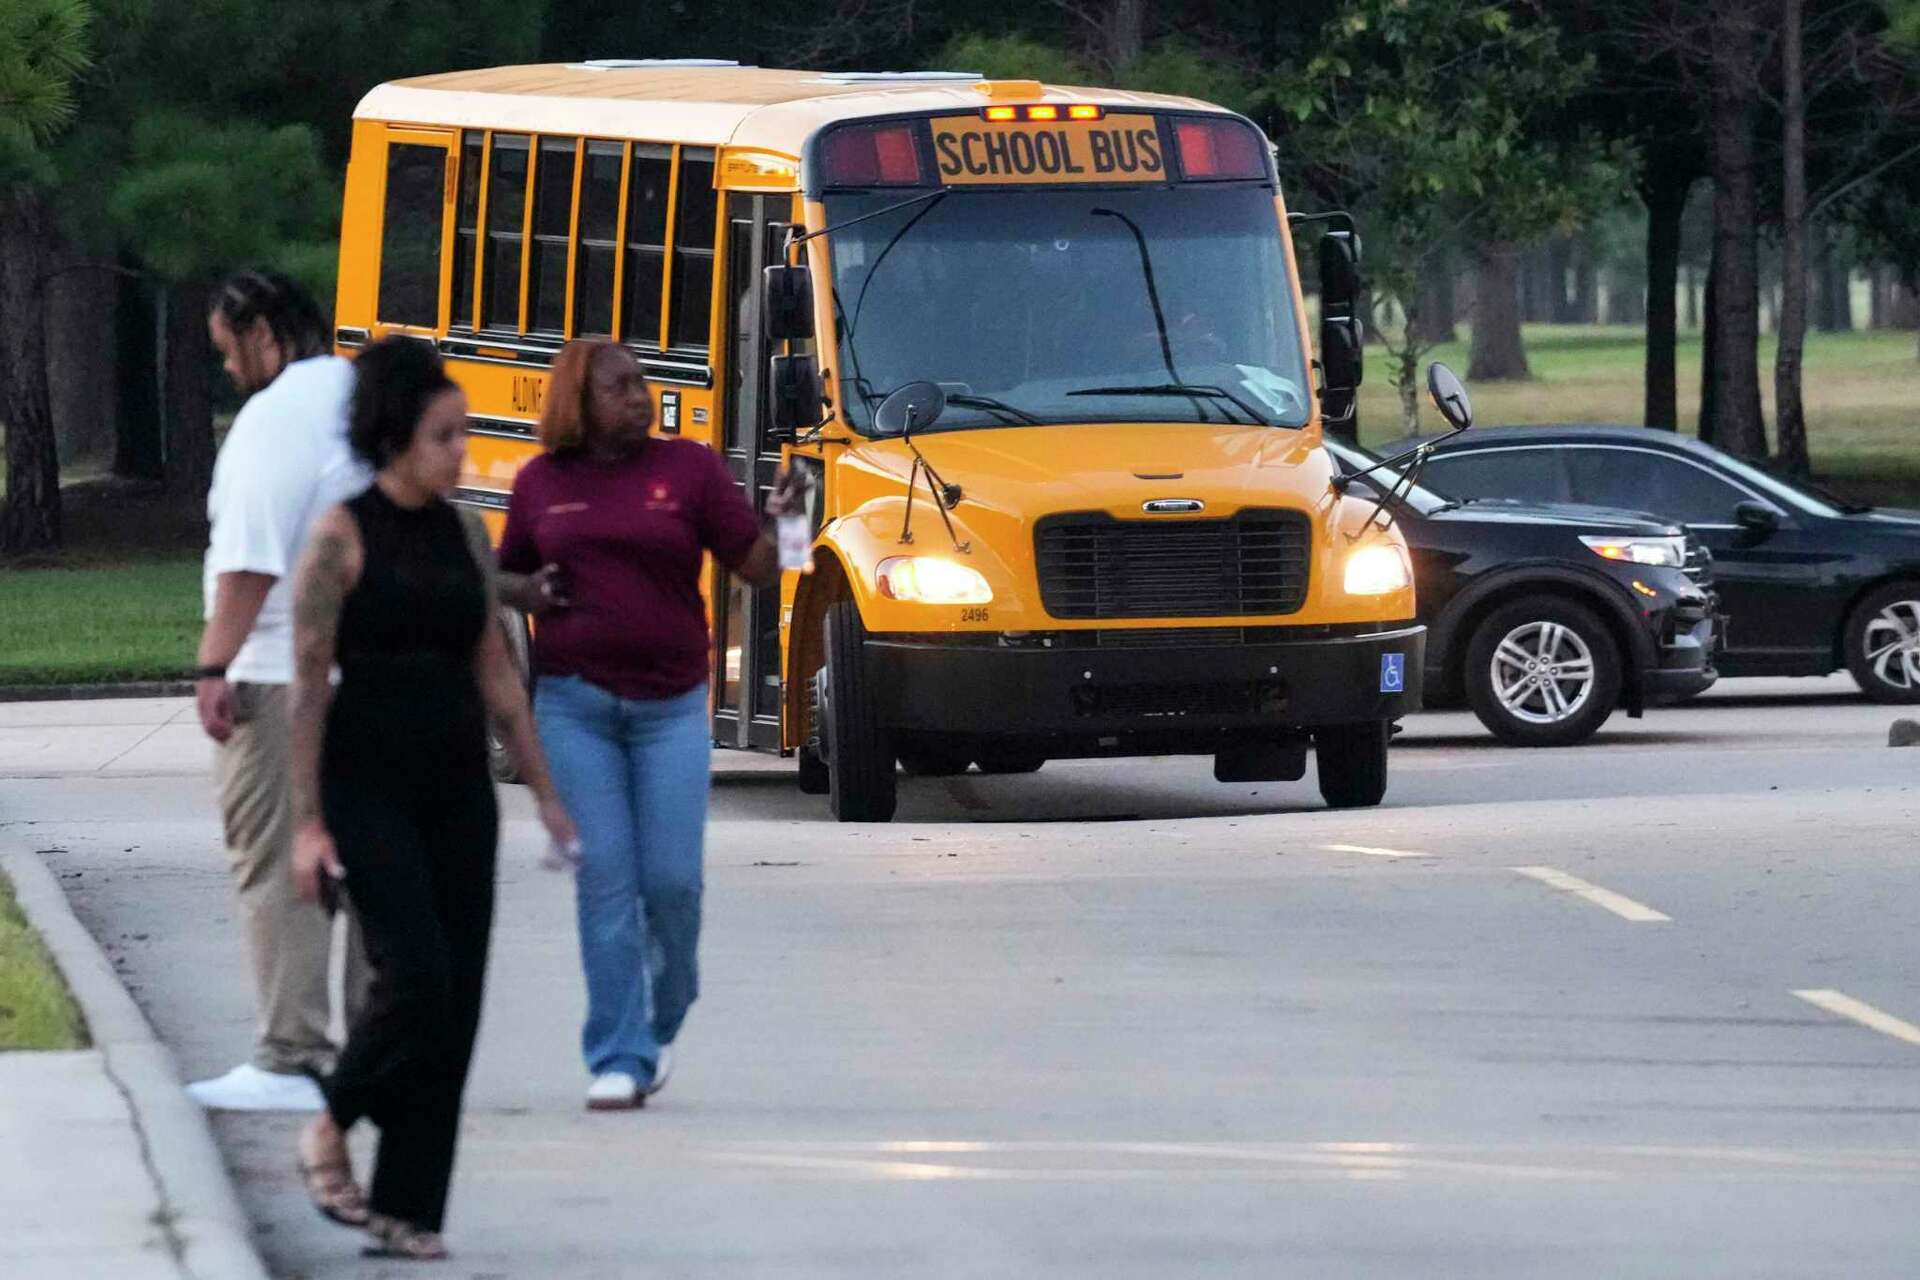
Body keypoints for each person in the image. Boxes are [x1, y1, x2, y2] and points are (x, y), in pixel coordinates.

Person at [285, 338, 575, 1260]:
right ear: (395, 436)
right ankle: (330, 1121)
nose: (461, 451)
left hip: (457, 790)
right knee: (416, 977)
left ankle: (406, 1209)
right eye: (445, 435)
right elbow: (306, 688)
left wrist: (547, 796)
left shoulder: (465, 535)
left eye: (462, 434)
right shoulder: (339, 537)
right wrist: (306, 824)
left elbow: (497, 673)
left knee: (458, 1004)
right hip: (365, 786)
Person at [496, 340, 800, 1111]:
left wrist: (792, 522)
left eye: (642, 383)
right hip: (575, 708)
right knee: (605, 878)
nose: (641, 397)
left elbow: (757, 565)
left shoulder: (689, 469)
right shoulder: (540, 482)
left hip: (670, 709)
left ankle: (667, 1007)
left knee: (672, 885)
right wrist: (527, 592)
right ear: (578, 401)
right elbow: (506, 575)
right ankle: (619, 1054)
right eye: (620, 387)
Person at [188, 270, 372, 1111]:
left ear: (264, 333)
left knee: (275, 865)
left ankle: (290, 1058)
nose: (230, 371)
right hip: (371, 671)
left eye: (229, 351)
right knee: (367, 866)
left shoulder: (272, 421)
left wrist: (212, 666)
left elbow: (251, 561)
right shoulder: (359, 398)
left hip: (275, 673)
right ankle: (374, 1052)